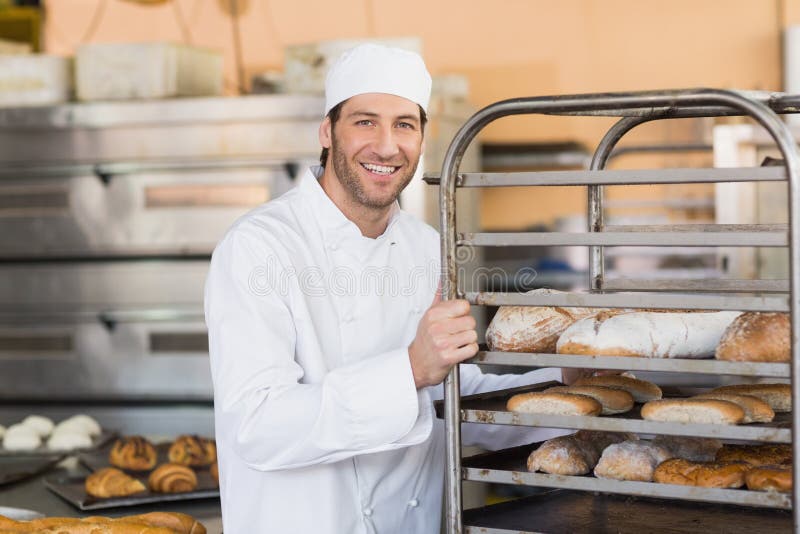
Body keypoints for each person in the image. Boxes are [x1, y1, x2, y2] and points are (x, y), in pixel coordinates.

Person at [205, 43, 568, 534]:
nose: (386, 145)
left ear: (421, 138)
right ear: (326, 131)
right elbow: (258, 425)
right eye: (364, 121)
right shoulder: (258, 247)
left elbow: (458, 395)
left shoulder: (427, 247)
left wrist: (578, 390)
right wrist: (411, 369)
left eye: (404, 124)